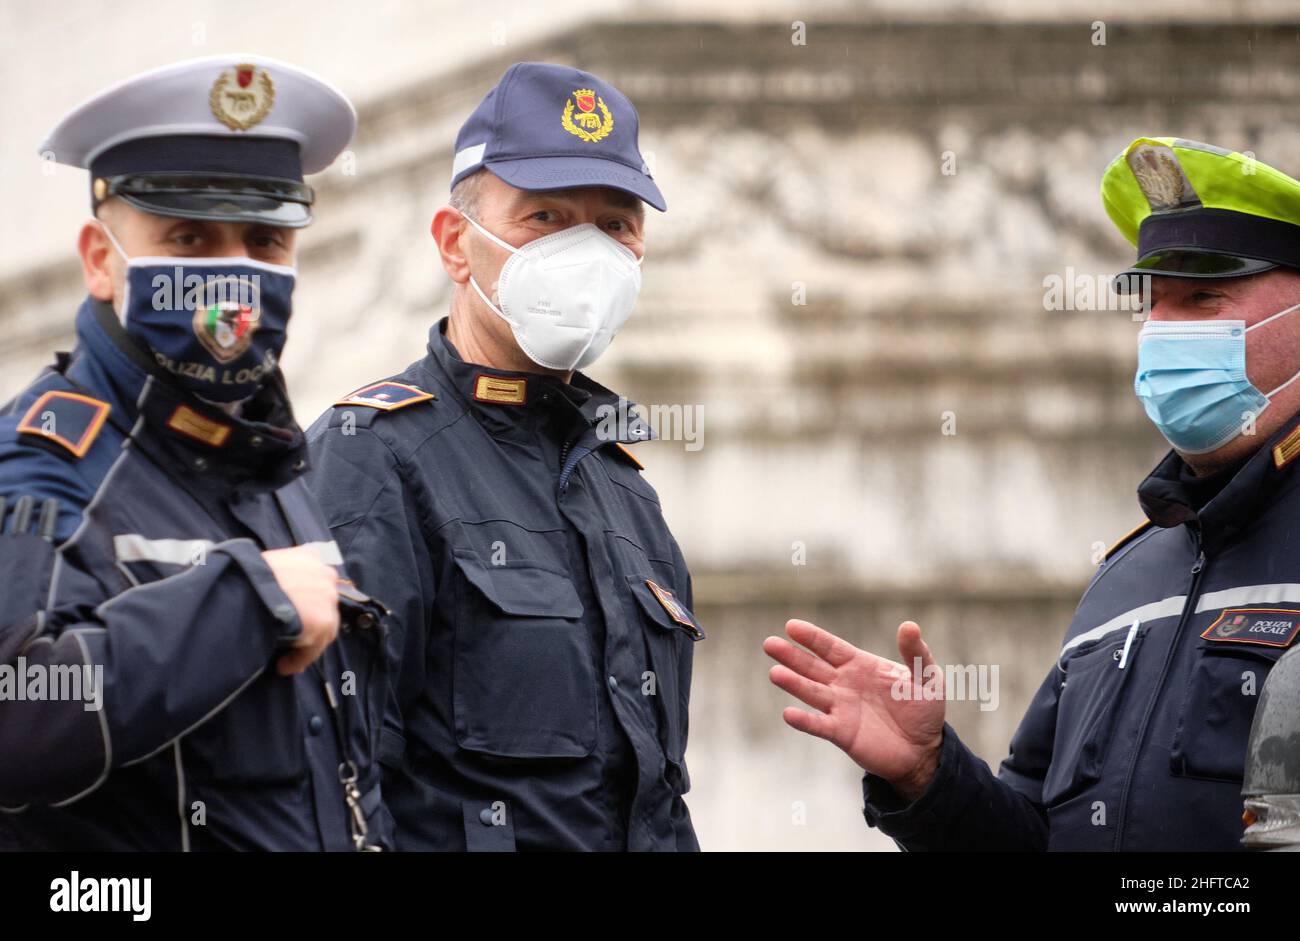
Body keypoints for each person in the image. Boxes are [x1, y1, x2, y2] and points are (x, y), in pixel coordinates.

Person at [764, 137, 1300, 850]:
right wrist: (930, 776)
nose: (1163, 330)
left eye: (1202, 297)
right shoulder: (1125, 579)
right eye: (1154, 301)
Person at [0, 55, 391, 851]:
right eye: (189, 237)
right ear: (102, 259)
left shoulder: (269, 461)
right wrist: (246, 605)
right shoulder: (41, 463)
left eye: (264, 241)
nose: (233, 275)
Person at [306, 62, 701, 851]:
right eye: (546, 217)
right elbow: (332, 786)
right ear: (457, 244)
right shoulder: (373, 458)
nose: (586, 252)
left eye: (615, 226)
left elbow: (656, 799)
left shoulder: (624, 493)